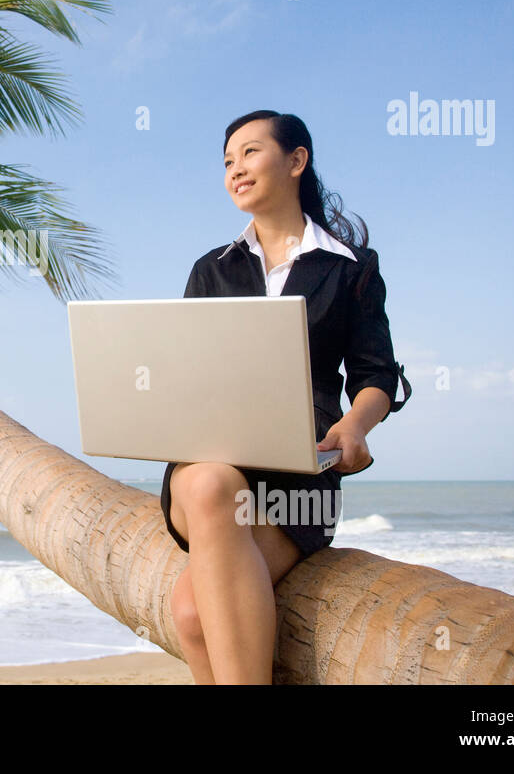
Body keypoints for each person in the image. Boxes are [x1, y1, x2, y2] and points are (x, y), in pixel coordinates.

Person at [161, 110, 411, 684]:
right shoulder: (211, 270)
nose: (235, 169)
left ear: (296, 160)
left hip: (299, 472)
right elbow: (184, 370)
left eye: (250, 152)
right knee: (206, 481)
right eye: (227, 161)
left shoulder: (351, 269)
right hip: (210, 458)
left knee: (194, 613)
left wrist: (353, 429)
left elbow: (376, 375)